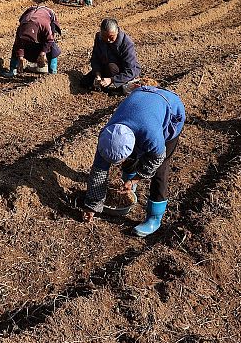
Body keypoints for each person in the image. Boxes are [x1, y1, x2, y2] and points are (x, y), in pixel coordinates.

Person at [77, 85, 185, 236]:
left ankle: (154, 217)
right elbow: (99, 171)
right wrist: (92, 205)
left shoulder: (151, 134)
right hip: (143, 102)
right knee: (131, 157)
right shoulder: (108, 136)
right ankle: (128, 185)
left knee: (160, 170)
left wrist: (137, 178)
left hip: (171, 109)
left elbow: (156, 159)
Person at [87, 18, 141, 93]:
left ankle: (118, 87)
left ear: (117, 31)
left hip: (123, 72)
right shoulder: (99, 37)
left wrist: (112, 80)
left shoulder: (126, 44)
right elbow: (95, 58)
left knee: (111, 68)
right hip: (106, 65)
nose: (108, 40)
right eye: (104, 37)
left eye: (111, 37)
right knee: (85, 82)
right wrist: (98, 75)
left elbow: (130, 70)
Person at [8, 4, 61, 77]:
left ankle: (52, 73)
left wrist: (43, 53)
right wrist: (20, 57)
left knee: (52, 48)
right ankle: (12, 71)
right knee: (16, 48)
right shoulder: (21, 28)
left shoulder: (44, 24)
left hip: (47, 16)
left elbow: (49, 40)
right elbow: (18, 44)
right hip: (31, 16)